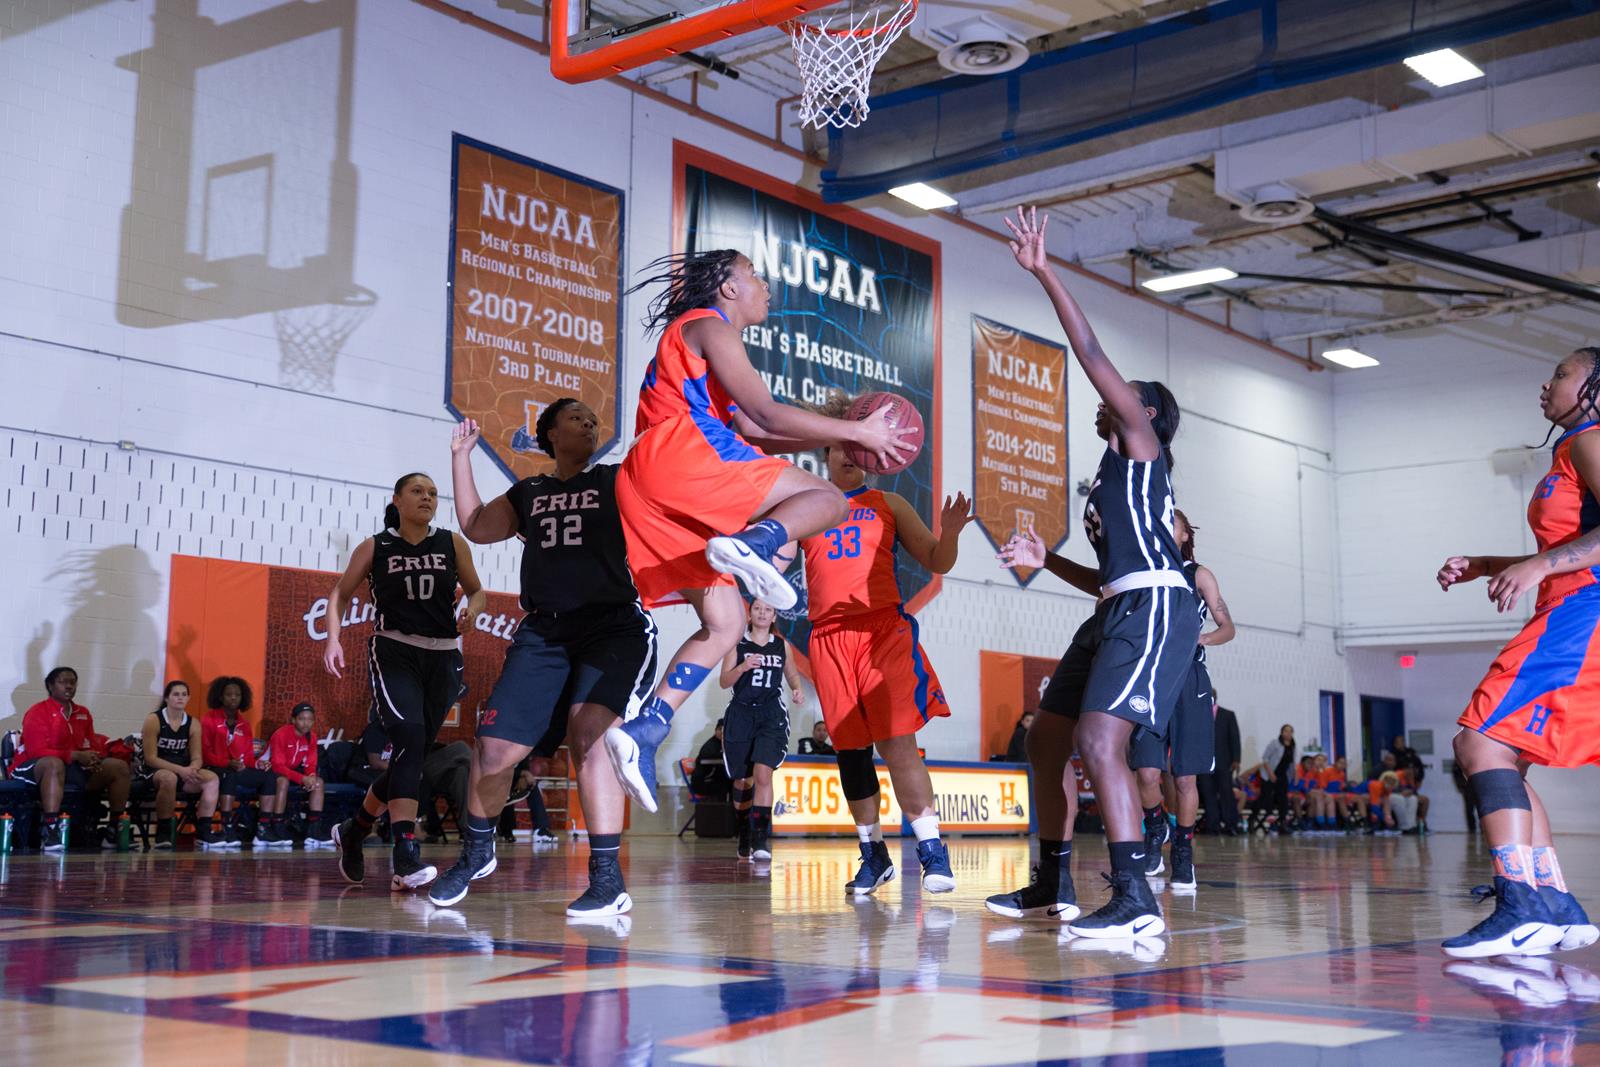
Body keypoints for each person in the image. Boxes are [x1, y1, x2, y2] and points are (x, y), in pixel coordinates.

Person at [602, 249, 912, 816]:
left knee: (726, 623)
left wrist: (837, 438)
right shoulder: (707, 324)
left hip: (649, 483)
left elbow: (751, 427)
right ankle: (760, 543)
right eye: (754, 276)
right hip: (681, 455)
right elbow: (766, 414)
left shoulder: (701, 344)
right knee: (825, 498)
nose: (765, 286)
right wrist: (856, 428)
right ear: (725, 287)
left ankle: (646, 727)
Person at [986, 206, 1199, 939]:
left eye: (1127, 389)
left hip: (1158, 611)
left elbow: (1086, 347)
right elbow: (1110, 578)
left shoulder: (1142, 444)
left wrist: (1045, 270)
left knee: (1102, 740)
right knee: (1048, 738)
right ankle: (1052, 881)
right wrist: (1049, 562)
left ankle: (1137, 895)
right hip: (1114, 608)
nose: (1115, 392)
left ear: (1144, 412)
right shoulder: (1112, 476)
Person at [430, 401, 658, 918]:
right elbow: (475, 525)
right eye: (576, 416)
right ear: (549, 433)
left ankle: (606, 879)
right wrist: (462, 456)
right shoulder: (530, 492)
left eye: (592, 420)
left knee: (590, 737)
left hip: (611, 625)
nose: (589, 423)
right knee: (491, 751)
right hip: (545, 633)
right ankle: (476, 852)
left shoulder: (616, 480)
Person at [1436, 349, 1600, 958]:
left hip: (1581, 611)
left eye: (1562, 373)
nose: (1547, 382)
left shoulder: (1591, 438)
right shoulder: (1571, 448)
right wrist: (1486, 564)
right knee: (1508, 753)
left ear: (1594, 387)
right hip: (1569, 607)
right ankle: (1553, 902)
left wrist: (1537, 565)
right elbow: (1572, 540)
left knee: (1477, 742)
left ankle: (1518, 903)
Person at [798, 420, 972, 896]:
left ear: (872, 457)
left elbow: (938, 561)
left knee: (898, 743)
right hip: (829, 637)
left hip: (881, 632)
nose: (848, 456)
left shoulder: (889, 503)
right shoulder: (807, 505)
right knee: (850, 752)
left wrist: (951, 532)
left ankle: (932, 850)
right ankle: (873, 855)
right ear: (826, 453)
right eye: (839, 448)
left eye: (858, 449)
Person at [325, 471, 485, 890]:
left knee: (410, 757)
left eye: (433, 493)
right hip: (394, 649)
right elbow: (339, 594)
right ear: (396, 500)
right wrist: (333, 640)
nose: (427, 498)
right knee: (410, 742)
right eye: (417, 491)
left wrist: (474, 609)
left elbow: (477, 590)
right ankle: (405, 855)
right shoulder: (376, 546)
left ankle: (355, 831)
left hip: (444, 655)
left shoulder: (452, 542)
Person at [1130, 508, 1234, 887]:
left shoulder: (1198, 575)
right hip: (1152, 677)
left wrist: (1202, 638)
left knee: (1186, 778)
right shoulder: (1144, 571)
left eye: (1171, 521)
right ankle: (1156, 827)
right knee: (1146, 770)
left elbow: (1228, 627)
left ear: (1187, 533)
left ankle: (1184, 853)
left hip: (1189, 678)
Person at [9, 667, 133, 851]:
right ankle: (50, 831)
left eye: (72, 682)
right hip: (33, 767)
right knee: (53, 763)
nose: (68, 686)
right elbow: (37, 751)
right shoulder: (37, 711)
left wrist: (93, 758)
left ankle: (114, 829)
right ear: (50, 686)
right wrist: (74, 755)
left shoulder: (82, 712)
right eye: (63, 682)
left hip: (70, 768)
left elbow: (90, 744)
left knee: (119, 767)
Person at [719, 598, 802, 861]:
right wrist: (743, 667)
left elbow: (791, 674)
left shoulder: (781, 646)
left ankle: (761, 838)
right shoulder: (738, 645)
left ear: (774, 616)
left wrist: (797, 688)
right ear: (750, 614)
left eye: (768, 609)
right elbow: (723, 681)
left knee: (763, 772)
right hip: (741, 713)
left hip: (771, 713)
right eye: (758, 608)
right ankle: (744, 829)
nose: (763, 613)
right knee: (743, 780)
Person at [139, 680, 222, 850]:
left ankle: (204, 832)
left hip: (183, 770)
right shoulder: (154, 719)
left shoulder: (193, 723)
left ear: (188, 698)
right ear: (167, 698)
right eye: (176, 694)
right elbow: (151, 758)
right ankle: (163, 832)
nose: (180, 698)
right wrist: (181, 770)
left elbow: (197, 757)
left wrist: (193, 769)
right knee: (169, 778)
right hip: (155, 770)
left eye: (184, 695)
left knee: (211, 779)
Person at [200, 676, 276, 849]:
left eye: (237, 695)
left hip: (237, 768)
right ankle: (227, 828)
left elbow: (248, 757)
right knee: (230, 776)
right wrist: (227, 762)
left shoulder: (244, 724)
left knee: (269, 778)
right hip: (216, 768)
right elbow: (205, 753)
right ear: (220, 696)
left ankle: (263, 829)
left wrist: (258, 764)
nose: (233, 698)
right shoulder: (209, 719)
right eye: (229, 694)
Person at [263, 702, 330, 849]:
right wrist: (301, 779)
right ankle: (277, 826)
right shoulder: (281, 734)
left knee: (318, 783)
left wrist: (310, 776)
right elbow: (277, 766)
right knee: (283, 782)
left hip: (292, 771)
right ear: (293, 720)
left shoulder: (311, 737)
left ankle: (314, 830)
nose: (306, 723)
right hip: (269, 771)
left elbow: (311, 763)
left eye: (310, 719)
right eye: (302, 719)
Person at [1198, 694, 1242, 834]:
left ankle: (1231, 825)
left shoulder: (1228, 714)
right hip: (1204, 762)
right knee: (1208, 794)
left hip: (1224, 761)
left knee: (1226, 794)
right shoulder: (1199, 713)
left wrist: (1236, 759)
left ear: (1216, 697)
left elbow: (1234, 737)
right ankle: (1212, 826)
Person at [1260, 724, 1297, 829]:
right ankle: (1270, 817)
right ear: (1281, 732)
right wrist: (1270, 773)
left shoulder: (1293, 745)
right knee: (1269, 794)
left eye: (1290, 731)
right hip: (1270, 773)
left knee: (1283, 798)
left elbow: (1292, 762)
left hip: (1283, 774)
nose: (1288, 733)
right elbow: (1265, 758)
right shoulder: (1275, 743)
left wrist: (1294, 773)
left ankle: (1283, 820)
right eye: (1286, 731)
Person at [689, 720, 732, 799]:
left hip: (710, 779)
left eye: (724, 730)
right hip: (702, 783)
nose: (722, 732)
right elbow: (706, 759)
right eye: (719, 729)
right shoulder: (710, 745)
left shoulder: (722, 743)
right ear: (715, 730)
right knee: (731, 786)